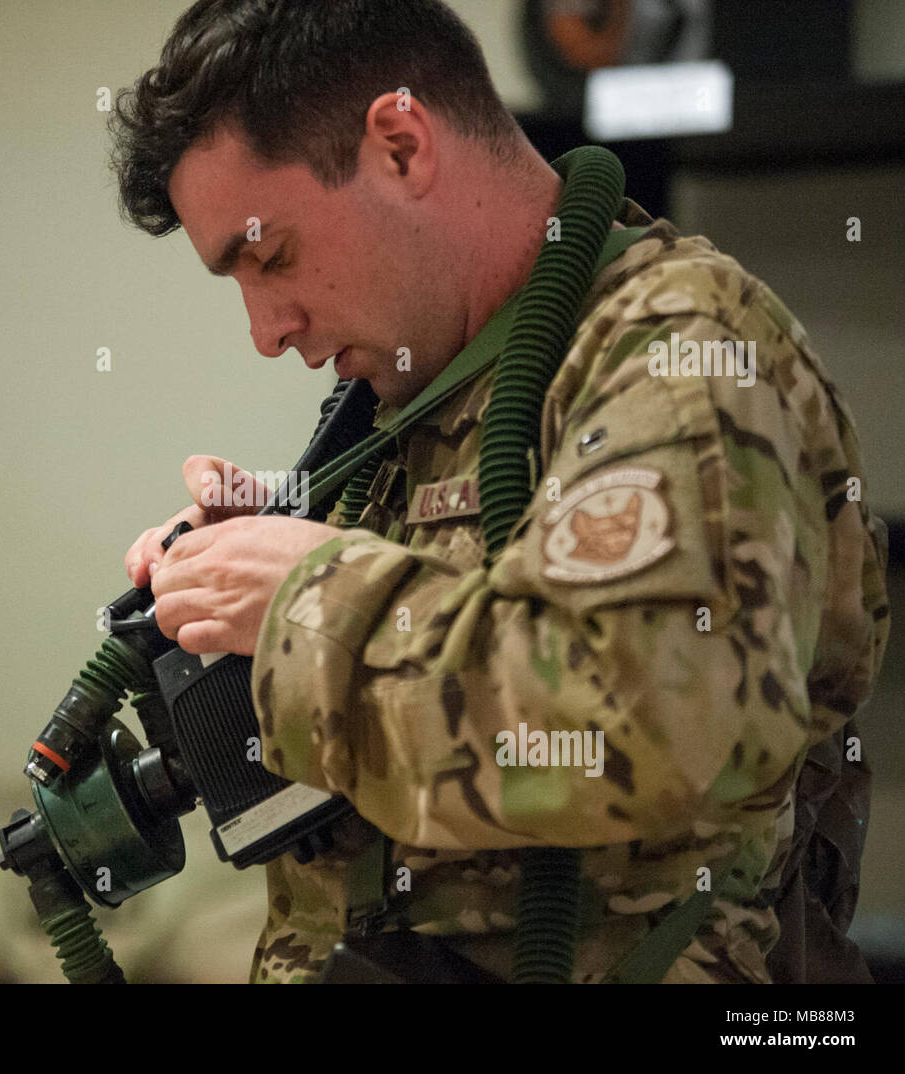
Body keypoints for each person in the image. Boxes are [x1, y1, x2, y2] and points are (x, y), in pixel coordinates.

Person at [109, 0, 890, 983]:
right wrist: (248, 583)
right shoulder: (425, 394)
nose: (266, 331)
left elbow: (634, 732)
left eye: (271, 257)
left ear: (400, 144)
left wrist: (311, 597)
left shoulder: (682, 353)